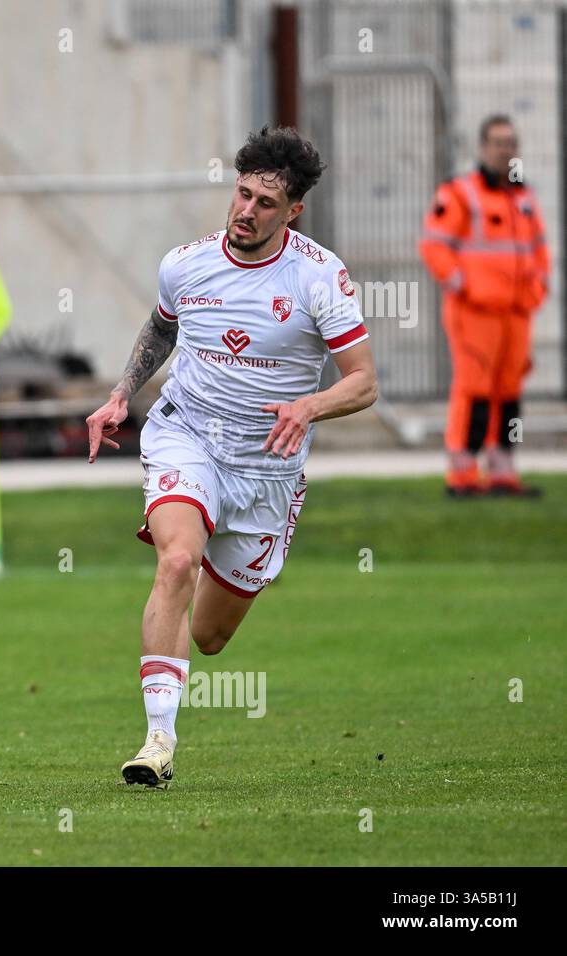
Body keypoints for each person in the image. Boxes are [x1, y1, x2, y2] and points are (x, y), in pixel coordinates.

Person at [86, 127, 378, 789]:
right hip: (186, 436)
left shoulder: (318, 277)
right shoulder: (186, 263)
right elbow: (164, 325)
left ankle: (181, 652)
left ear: (293, 211)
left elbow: (364, 381)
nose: (247, 210)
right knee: (177, 559)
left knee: (213, 636)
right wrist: (121, 395)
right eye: (242, 194)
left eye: (266, 202)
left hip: (268, 471)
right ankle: (158, 741)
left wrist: (308, 407)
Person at [419, 114, 550, 497]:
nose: (505, 149)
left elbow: (538, 252)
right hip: (473, 312)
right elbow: (434, 246)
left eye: (510, 142)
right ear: (483, 147)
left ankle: (502, 471)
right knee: (474, 389)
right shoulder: (461, 193)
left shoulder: (523, 198)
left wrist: (536, 290)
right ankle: (462, 473)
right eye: (498, 142)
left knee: (508, 390)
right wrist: (466, 286)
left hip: (515, 313)